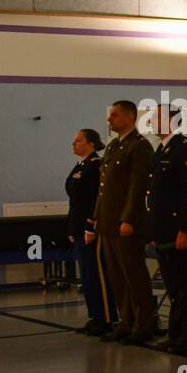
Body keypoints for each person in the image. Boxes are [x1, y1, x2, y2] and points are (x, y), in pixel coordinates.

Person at [90, 99, 155, 344]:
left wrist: (129, 218)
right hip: (108, 222)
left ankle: (144, 324)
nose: (110, 120)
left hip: (125, 224)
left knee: (134, 276)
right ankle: (126, 322)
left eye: (115, 116)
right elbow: (104, 187)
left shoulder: (139, 146)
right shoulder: (114, 146)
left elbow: (137, 188)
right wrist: (97, 217)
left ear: (129, 118)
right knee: (117, 276)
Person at [146, 106, 187, 354]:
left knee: (185, 286)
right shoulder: (162, 149)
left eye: (157, 117)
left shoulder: (183, 148)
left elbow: (185, 193)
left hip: (176, 230)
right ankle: (176, 333)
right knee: (173, 286)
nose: (152, 121)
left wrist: (184, 229)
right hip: (162, 230)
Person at [66, 128, 117, 335]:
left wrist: (90, 225)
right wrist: (72, 228)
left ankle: (106, 317)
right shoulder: (81, 165)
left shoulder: (95, 166)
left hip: (90, 229)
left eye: (78, 140)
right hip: (78, 227)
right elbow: (75, 201)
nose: (73, 143)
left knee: (97, 274)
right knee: (86, 276)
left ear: (91, 144)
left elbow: (96, 199)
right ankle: (94, 316)